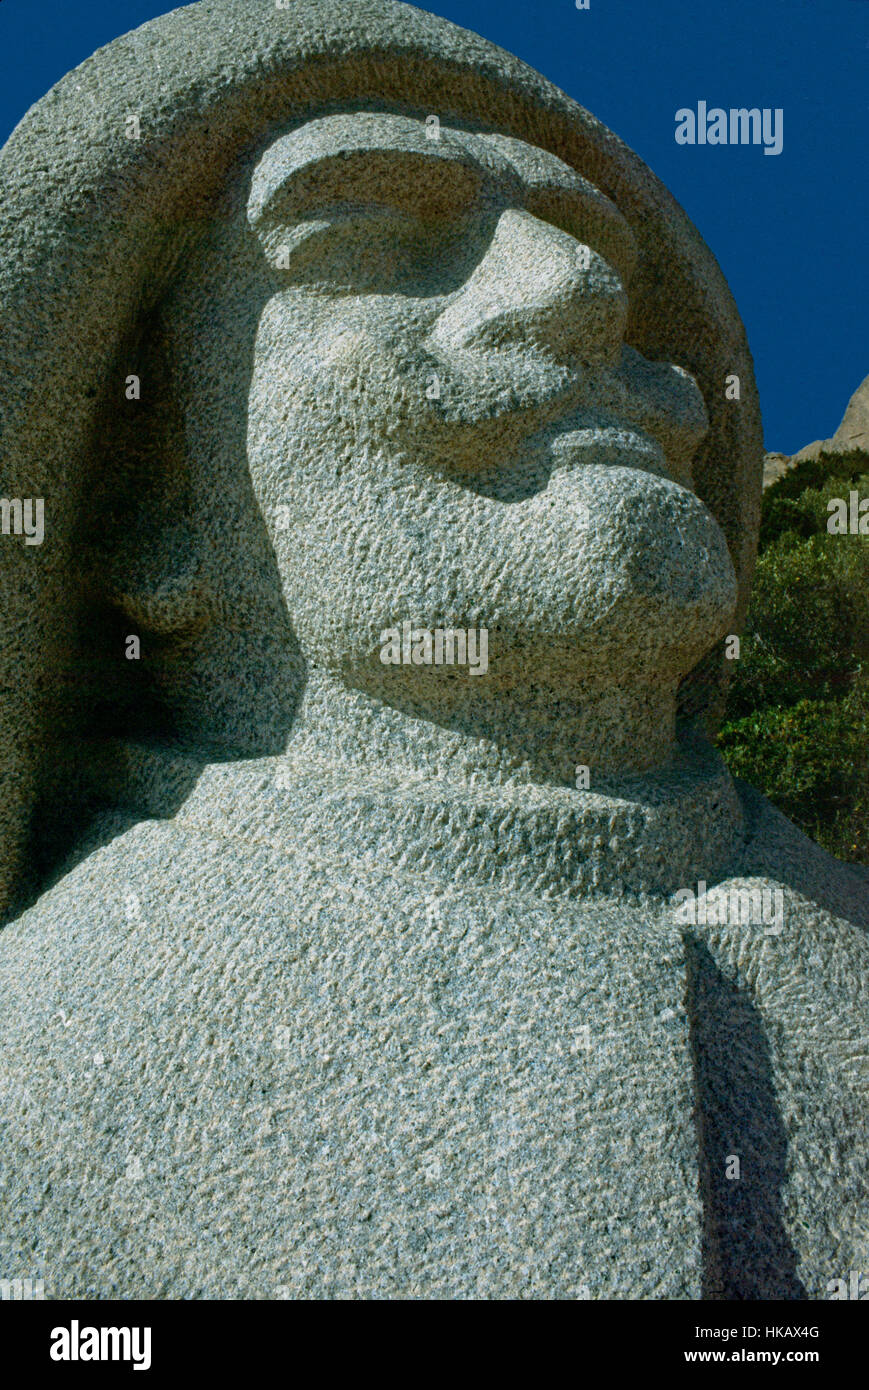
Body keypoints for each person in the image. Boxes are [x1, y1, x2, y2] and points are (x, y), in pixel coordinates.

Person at [0, 0, 865, 1300]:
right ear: (149, 513)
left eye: (619, 287)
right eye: (373, 236)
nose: (576, 292)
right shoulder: (39, 1078)